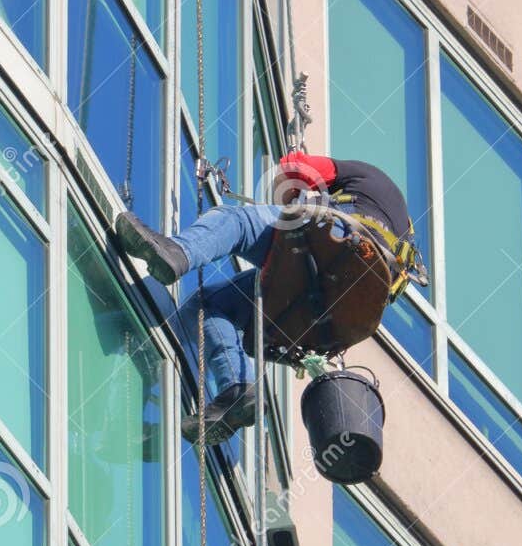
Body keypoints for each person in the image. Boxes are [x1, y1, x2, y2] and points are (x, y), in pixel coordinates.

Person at [115, 152, 412, 445]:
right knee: (211, 307)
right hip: (326, 309)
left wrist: (291, 199)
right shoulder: (398, 231)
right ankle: (238, 390)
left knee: (237, 221)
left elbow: (294, 167)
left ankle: (178, 253)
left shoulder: (366, 174)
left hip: (333, 247)